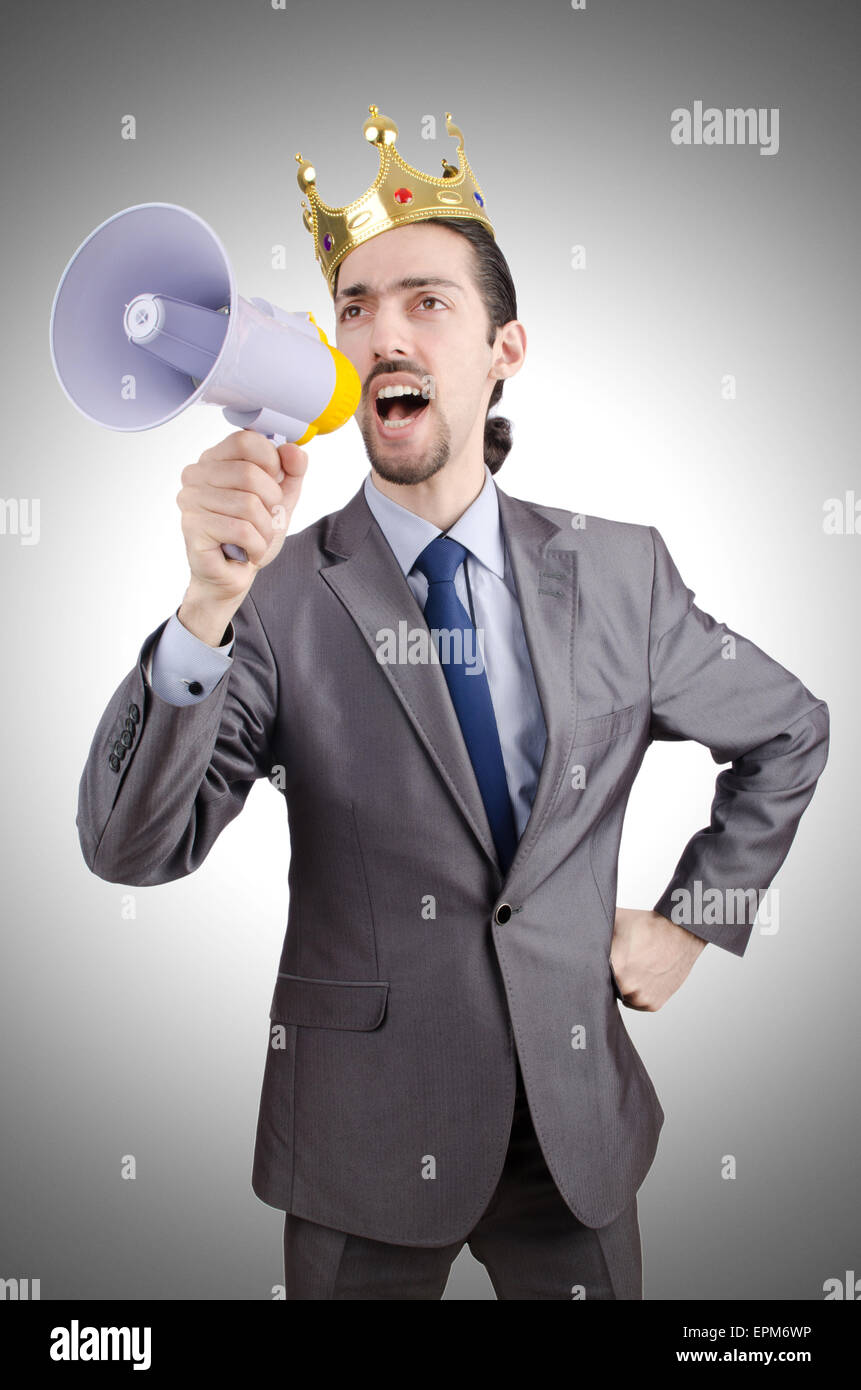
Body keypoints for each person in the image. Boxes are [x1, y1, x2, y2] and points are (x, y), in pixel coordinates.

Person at [77, 106, 830, 1300]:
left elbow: (790, 731)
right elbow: (132, 848)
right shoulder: (271, 601)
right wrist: (203, 609)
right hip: (359, 1148)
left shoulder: (623, 573)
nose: (384, 335)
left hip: (574, 1136)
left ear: (504, 349)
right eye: (358, 307)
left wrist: (693, 919)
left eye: (426, 301)